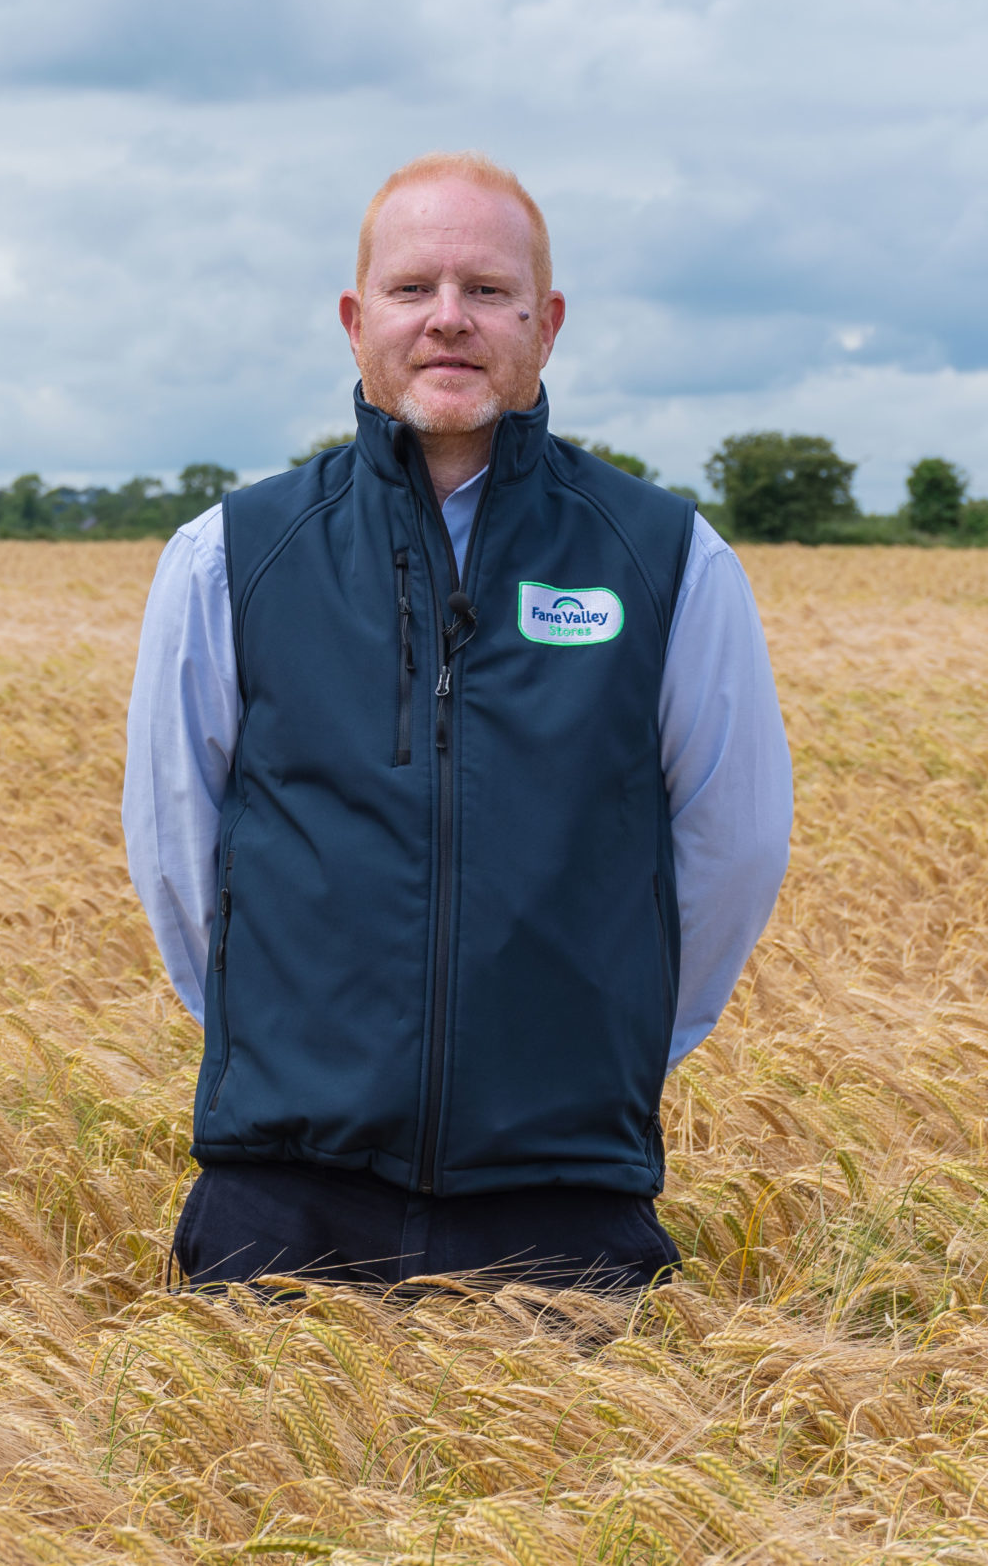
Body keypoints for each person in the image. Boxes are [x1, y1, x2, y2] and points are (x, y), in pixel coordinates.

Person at [123, 152, 793, 1294]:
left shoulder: (667, 558)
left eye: (486, 291)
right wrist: (295, 1056)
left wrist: (601, 1050)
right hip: (283, 1204)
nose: (448, 321)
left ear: (547, 322)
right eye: (411, 289)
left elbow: (731, 850)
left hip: (567, 1204)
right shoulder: (230, 556)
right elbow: (178, 848)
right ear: (353, 319)